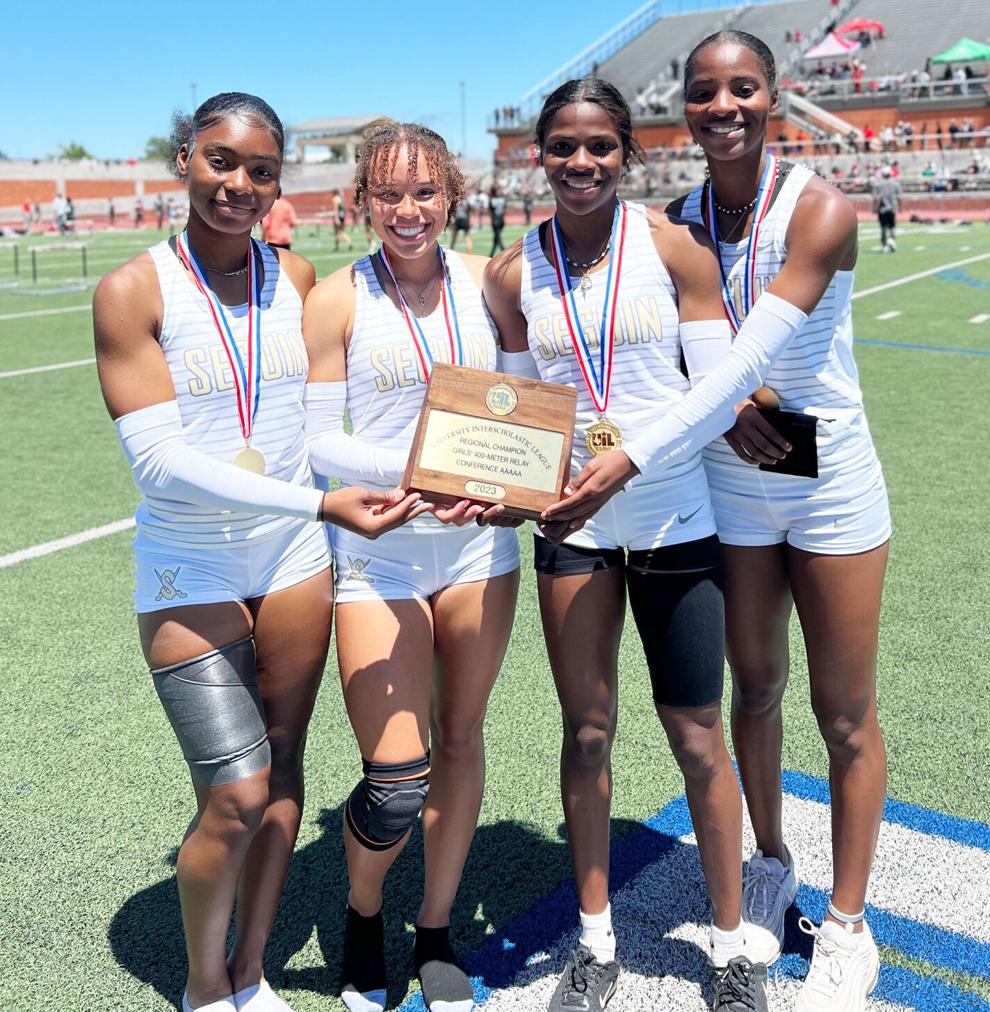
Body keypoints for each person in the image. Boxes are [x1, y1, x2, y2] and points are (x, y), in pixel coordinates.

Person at [92, 92, 427, 1012]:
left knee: (284, 769)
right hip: (189, 565)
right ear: (186, 160)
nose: (238, 184)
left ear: (280, 181)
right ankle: (205, 987)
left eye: (261, 170)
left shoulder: (299, 275)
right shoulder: (132, 290)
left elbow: (318, 425)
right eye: (220, 161)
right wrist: (322, 502)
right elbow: (162, 467)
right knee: (236, 792)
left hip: (292, 560)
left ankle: (251, 970)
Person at [485, 77, 766, 1012]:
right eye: (562, 145)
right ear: (540, 153)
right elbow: (522, 412)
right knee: (588, 732)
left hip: (678, 519)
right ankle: (596, 944)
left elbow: (717, 387)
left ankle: (730, 950)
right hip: (575, 528)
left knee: (696, 735)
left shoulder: (673, 245)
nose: (580, 162)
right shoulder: (510, 269)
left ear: (627, 153)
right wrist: (519, 493)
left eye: (600, 146)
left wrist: (628, 463)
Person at [636, 31, 887, 1012]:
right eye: (705, 91)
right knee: (756, 685)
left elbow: (744, 359)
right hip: (730, 481)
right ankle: (774, 861)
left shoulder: (819, 207)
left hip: (828, 477)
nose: (724, 104)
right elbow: (663, 354)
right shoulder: (673, 223)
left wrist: (718, 406)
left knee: (844, 710)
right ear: (685, 107)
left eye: (743, 87)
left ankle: (853, 926)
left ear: (774, 98)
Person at [303, 120, 522, 1012]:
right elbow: (317, 438)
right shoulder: (338, 298)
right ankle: (363, 914)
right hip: (380, 552)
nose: (407, 210)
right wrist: (408, 473)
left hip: (478, 546)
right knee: (397, 773)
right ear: (362, 200)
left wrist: (508, 483)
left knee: (462, 739)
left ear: (452, 199)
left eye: (424, 191)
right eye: (387, 193)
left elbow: (521, 410)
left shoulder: (487, 283)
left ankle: (434, 930)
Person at [871, 165, 900, 252]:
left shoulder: (878, 184)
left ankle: (884, 244)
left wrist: (874, 208)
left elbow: (876, 198)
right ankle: (892, 241)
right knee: (892, 226)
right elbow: (899, 196)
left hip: (882, 208)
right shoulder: (895, 183)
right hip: (892, 208)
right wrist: (900, 207)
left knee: (883, 226)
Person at [489, 185, 507, 255]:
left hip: (498, 221)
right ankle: (491, 254)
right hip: (498, 221)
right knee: (497, 238)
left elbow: (491, 210)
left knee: (497, 238)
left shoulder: (493, 200)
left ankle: (504, 252)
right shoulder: (500, 199)